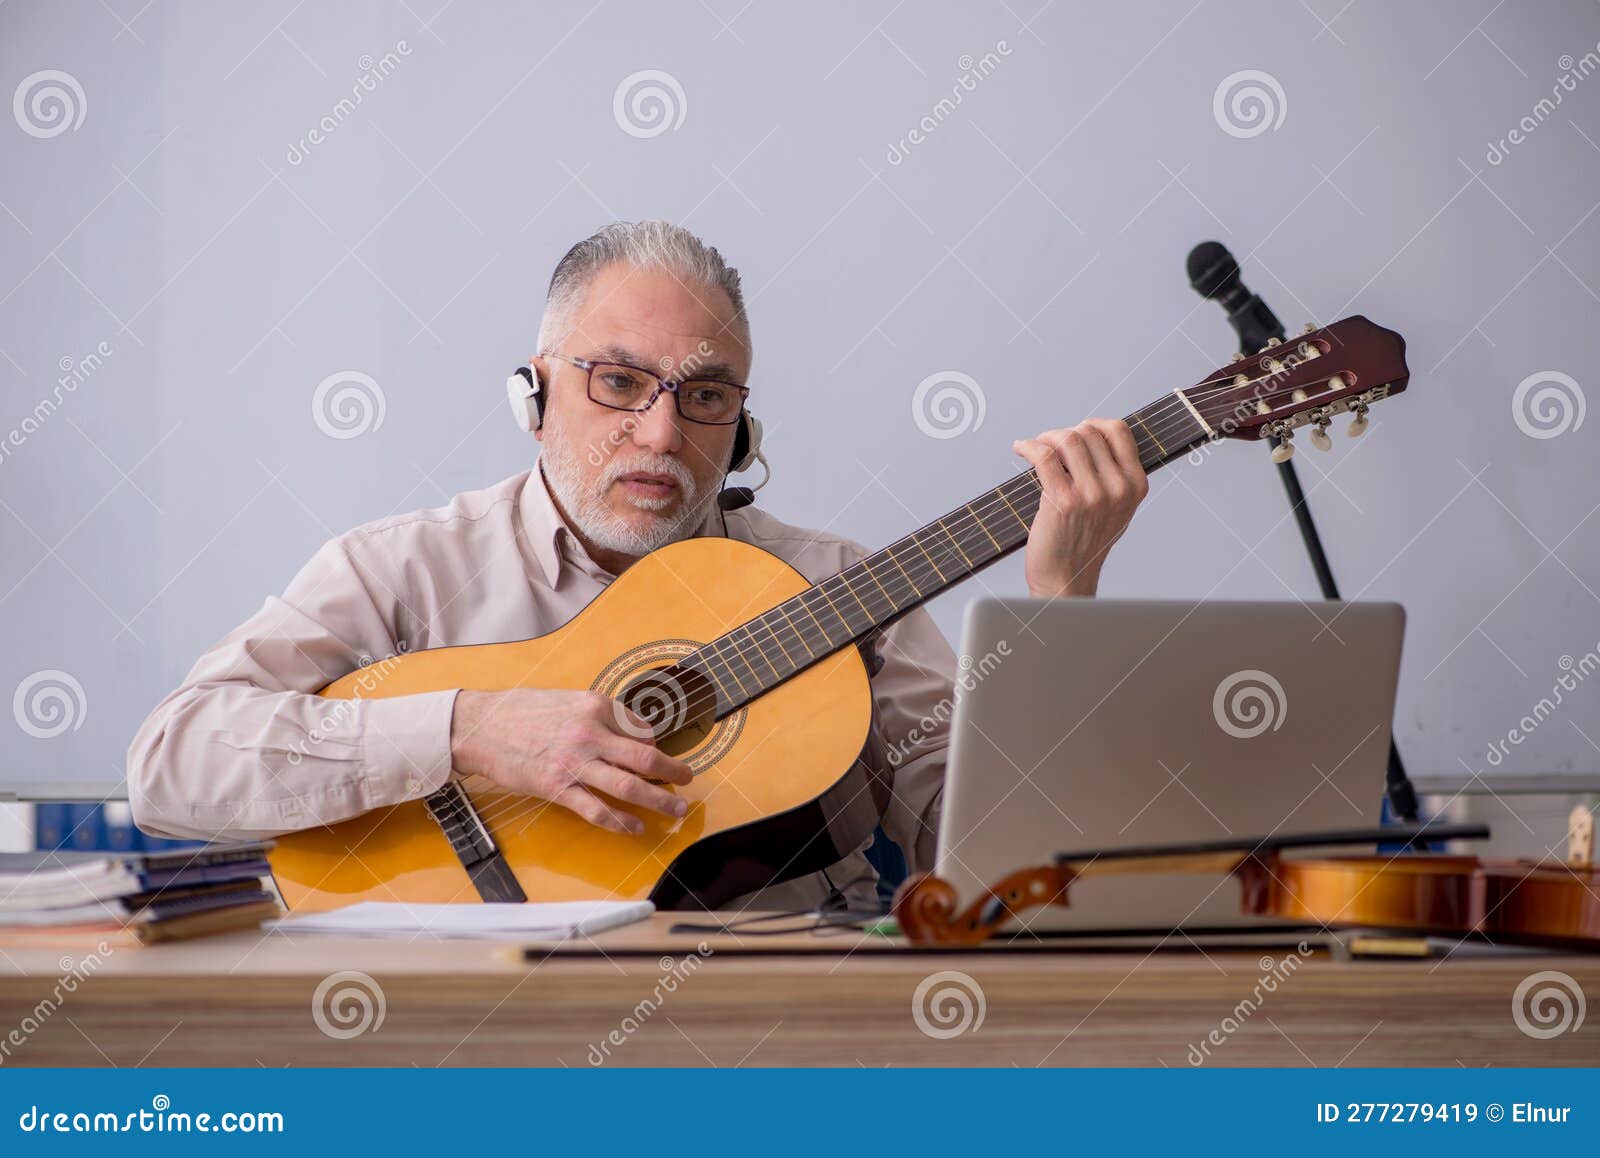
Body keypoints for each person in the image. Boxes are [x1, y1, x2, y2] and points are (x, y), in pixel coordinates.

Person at [127, 221, 1148, 909]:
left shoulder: (838, 589)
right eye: (618, 382)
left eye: (704, 395)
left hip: (787, 1049)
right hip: (467, 1046)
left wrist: (1063, 613)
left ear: (740, 424)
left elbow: (1000, 875)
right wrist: (464, 730)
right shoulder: (407, 570)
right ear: (534, 394)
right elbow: (172, 768)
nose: (660, 433)